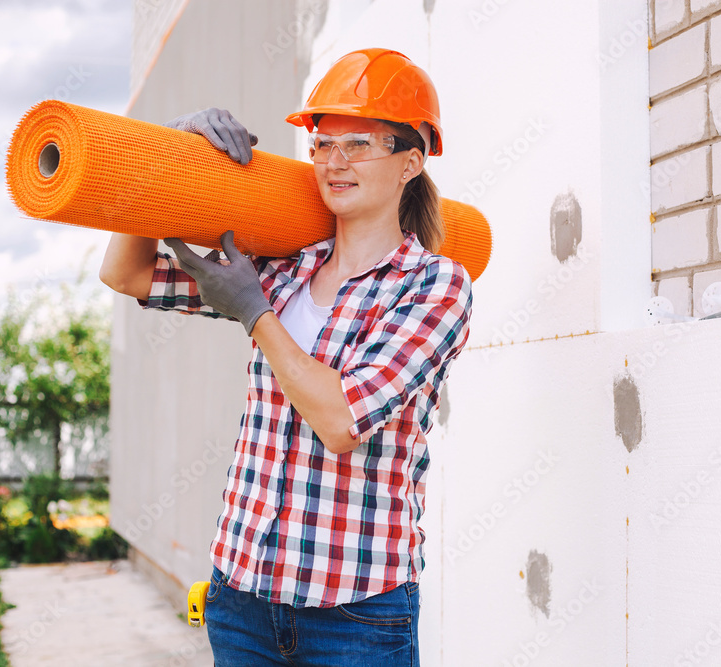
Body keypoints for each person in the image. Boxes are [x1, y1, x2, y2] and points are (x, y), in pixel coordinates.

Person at [99, 48, 472, 666]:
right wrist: (166, 153)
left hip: (354, 612)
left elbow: (342, 420)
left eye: (358, 143)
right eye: (323, 144)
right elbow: (127, 272)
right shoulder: (288, 267)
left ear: (411, 161)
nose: (335, 162)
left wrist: (254, 313)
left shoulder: (434, 285)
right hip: (241, 596)